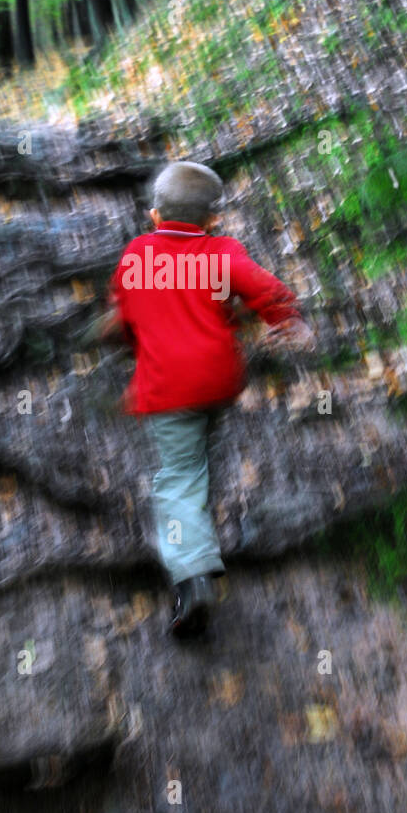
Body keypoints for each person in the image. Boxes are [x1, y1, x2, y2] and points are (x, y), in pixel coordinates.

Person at [94, 161, 313, 639]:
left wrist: (115, 334)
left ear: (155, 217)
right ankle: (198, 538)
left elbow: (124, 316)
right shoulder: (222, 253)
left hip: (168, 388)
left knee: (176, 479)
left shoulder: (137, 256)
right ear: (212, 220)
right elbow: (265, 289)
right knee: (196, 465)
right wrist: (286, 319)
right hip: (218, 383)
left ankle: (191, 581)